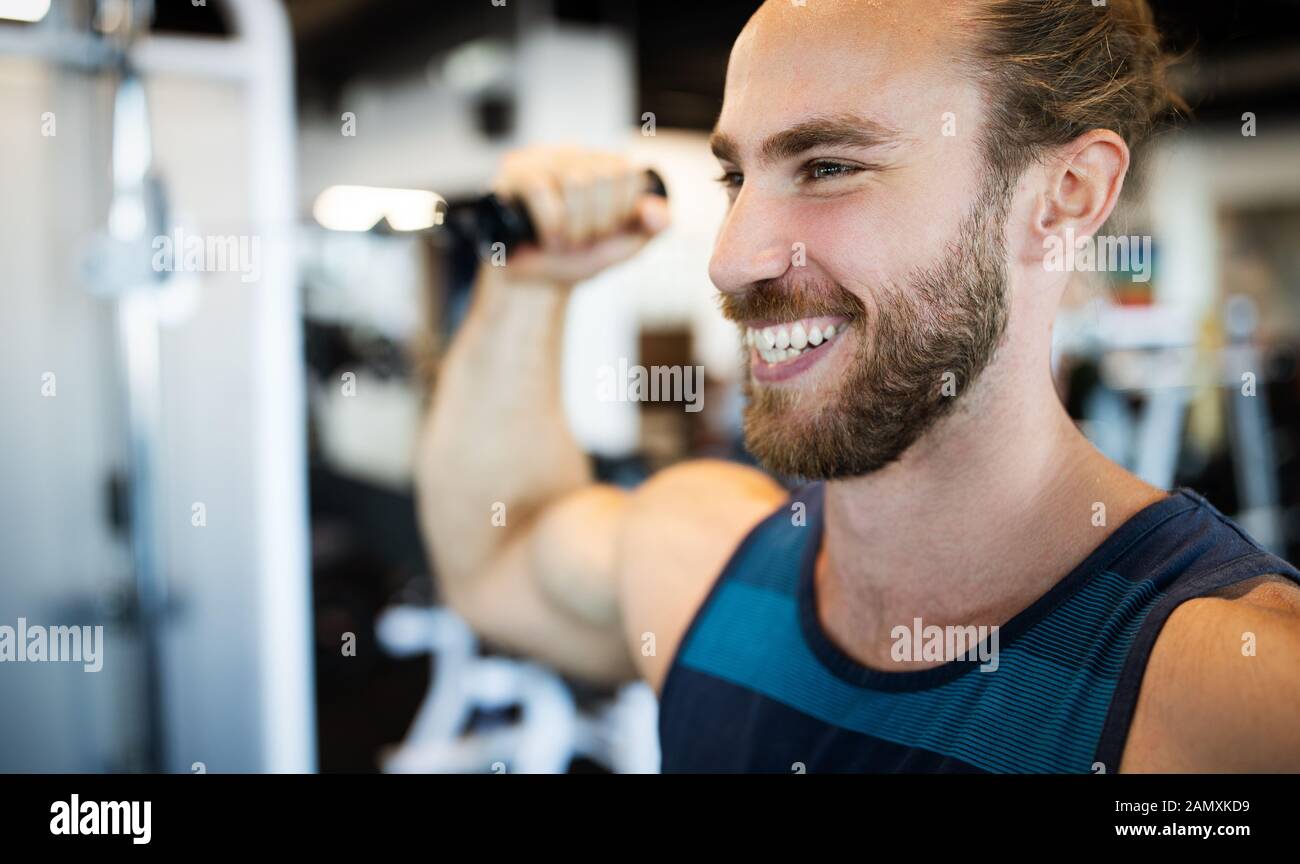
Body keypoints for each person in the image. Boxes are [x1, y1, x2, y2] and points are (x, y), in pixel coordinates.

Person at [417, 0, 1300, 772]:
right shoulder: (704, 561)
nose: (730, 261)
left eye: (830, 166)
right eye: (736, 176)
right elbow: (495, 559)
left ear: (1066, 194)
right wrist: (528, 280)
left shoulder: (1230, 687)